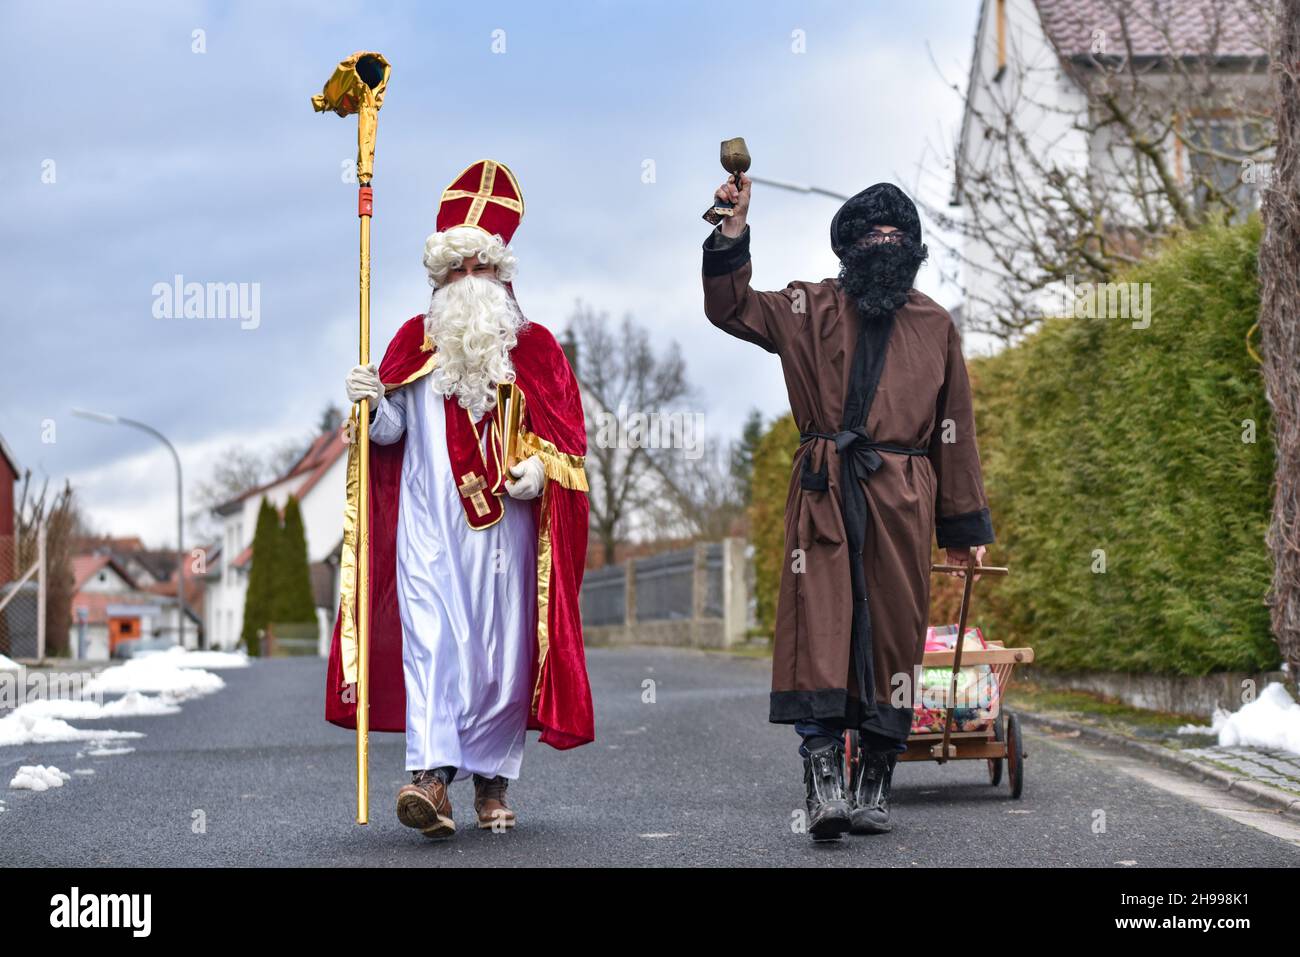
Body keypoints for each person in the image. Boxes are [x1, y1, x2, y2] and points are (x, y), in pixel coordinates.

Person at [701, 175, 993, 841]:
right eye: (871, 235)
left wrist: (962, 524)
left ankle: (874, 783)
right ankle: (824, 784)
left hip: (903, 498)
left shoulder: (935, 324)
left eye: (896, 235)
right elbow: (731, 306)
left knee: (893, 632)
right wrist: (731, 230)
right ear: (849, 247)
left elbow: (955, 429)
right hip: (825, 490)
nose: (884, 243)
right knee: (820, 625)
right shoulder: (807, 307)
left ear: (912, 248)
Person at [326, 159, 594, 838]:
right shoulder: (410, 344)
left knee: (499, 659)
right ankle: (431, 778)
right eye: (456, 269)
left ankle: (492, 782)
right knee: (432, 644)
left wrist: (541, 471)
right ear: (439, 278)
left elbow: (569, 448)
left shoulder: (535, 350)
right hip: (426, 529)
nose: (468, 280)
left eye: (481, 267)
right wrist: (369, 404)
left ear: (501, 274)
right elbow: (389, 436)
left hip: (505, 536)